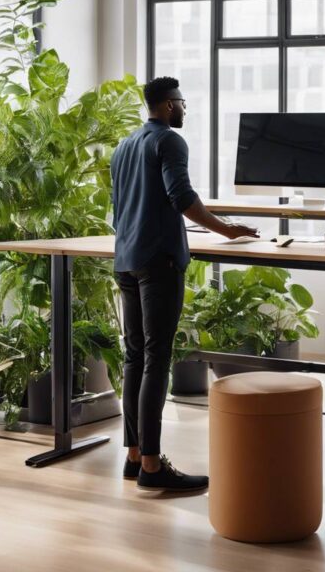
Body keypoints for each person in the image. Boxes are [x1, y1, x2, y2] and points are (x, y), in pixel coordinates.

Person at [111, 76, 258, 492]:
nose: (185, 110)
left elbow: (120, 206)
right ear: (169, 105)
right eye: (182, 103)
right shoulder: (169, 141)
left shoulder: (124, 146)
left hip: (126, 259)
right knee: (156, 358)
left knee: (135, 357)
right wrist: (227, 230)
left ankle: (135, 456)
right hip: (158, 262)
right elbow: (181, 197)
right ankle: (153, 467)